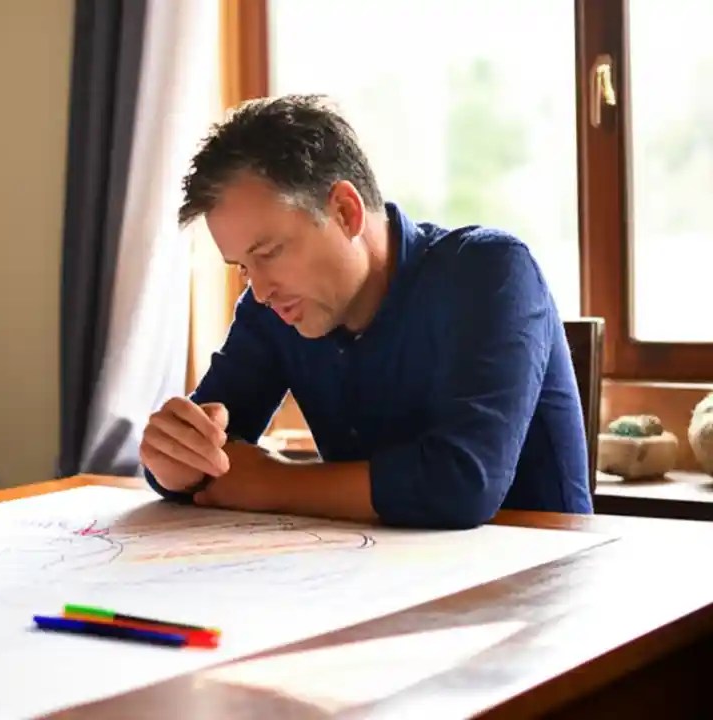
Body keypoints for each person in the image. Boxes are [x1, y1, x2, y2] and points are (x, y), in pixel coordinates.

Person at [140, 95, 592, 528]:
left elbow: (462, 483)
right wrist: (175, 462)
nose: (259, 291)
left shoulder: (491, 270)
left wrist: (269, 483)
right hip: (379, 570)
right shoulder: (274, 310)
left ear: (345, 211)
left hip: (543, 570)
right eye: (242, 267)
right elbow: (212, 450)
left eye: (270, 252)